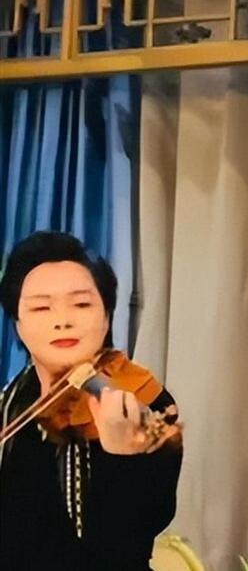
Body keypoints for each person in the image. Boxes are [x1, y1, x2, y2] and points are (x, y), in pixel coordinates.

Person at [0, 231, 183, 569]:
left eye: (82, 304)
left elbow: (132, 541)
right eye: (41, 307)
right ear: (18, 326)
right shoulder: (10, 403)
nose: (63, 321)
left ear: (107, 316)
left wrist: (122, 457)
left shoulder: (146, 403)